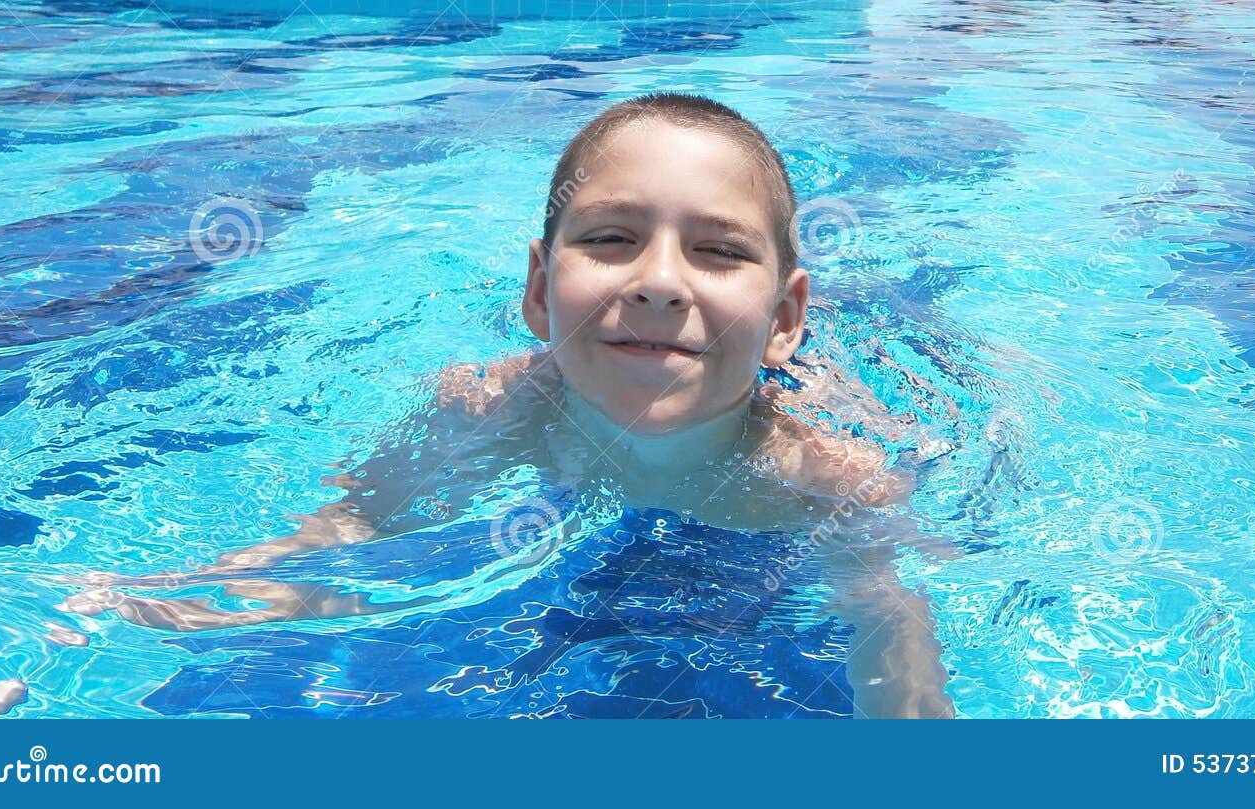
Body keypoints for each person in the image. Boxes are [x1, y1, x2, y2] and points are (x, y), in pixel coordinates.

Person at [62, 93, 956, 718]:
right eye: (612, 238)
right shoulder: (492, 408)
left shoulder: (827, 479)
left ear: (784, 318)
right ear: (537, 290)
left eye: (719, 251)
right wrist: (175, 603)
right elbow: (355, 522)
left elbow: (892, 629)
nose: (658, 281)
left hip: (818, 381)